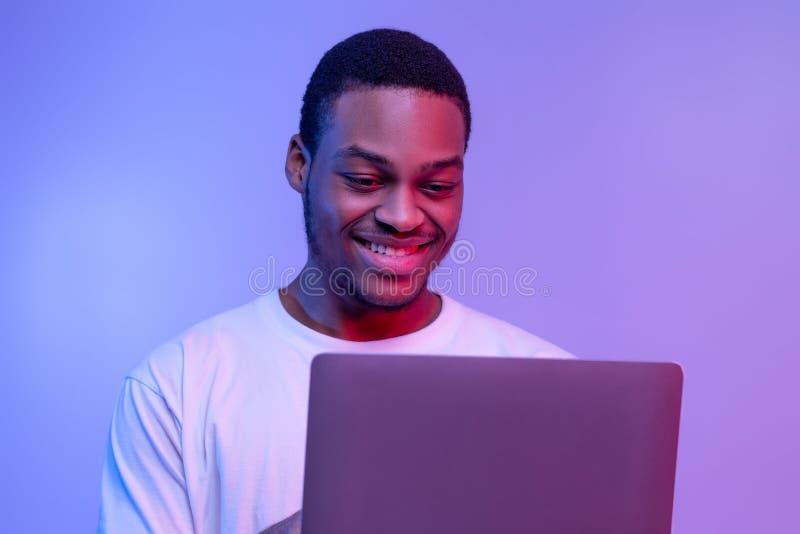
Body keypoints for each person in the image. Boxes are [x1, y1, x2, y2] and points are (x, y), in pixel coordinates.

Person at [97, 28, 574, 533]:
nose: (404, 216)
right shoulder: (177, 389)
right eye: (365, 180)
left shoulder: (552, 390)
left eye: (437, 186)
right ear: (300, 164)